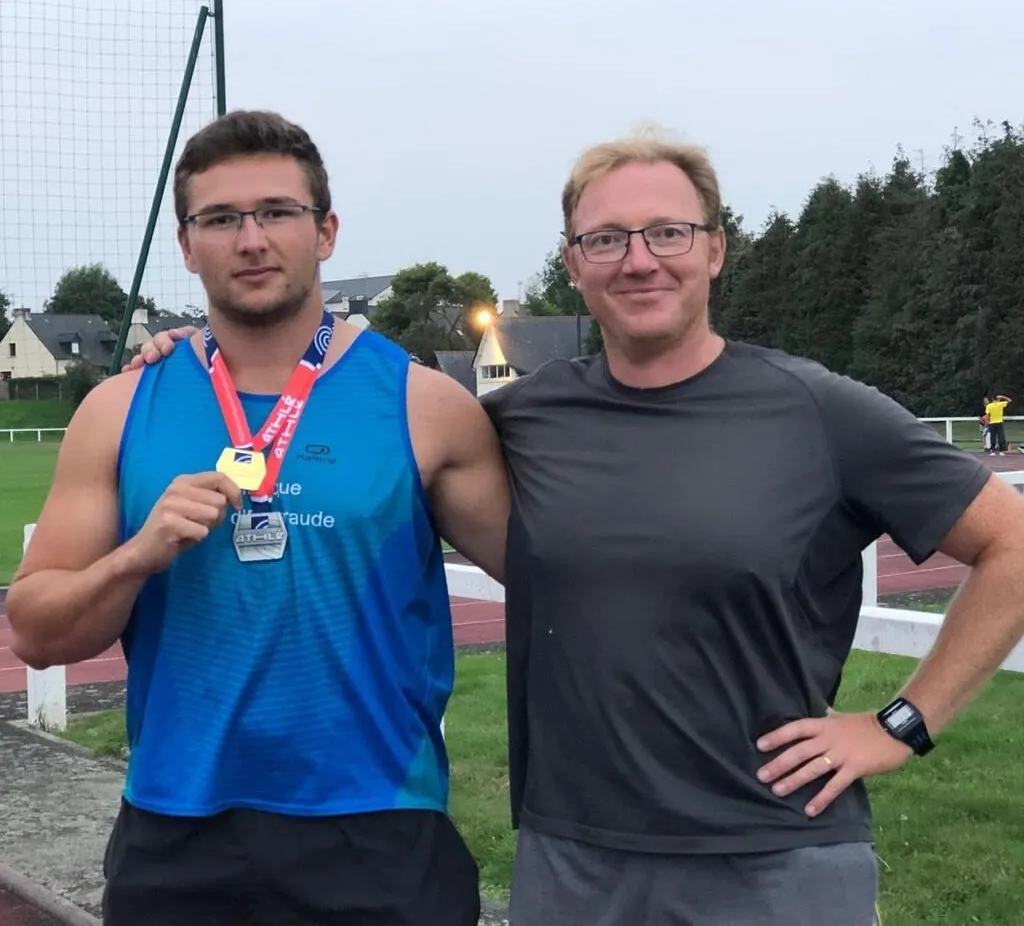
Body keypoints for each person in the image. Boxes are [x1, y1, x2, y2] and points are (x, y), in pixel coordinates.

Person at [128, 130, 1024, 926]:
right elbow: (344, 401)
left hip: (776, 856)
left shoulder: (819, 411)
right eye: (606, 239)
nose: (639, 260)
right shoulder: (524, 417)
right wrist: (190, 347)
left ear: (716, 250)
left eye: (668, 233)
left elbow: (1010, 544)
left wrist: (901, 722)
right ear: (572, 261)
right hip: (570, 860)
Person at [7, 110, 510, 926]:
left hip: (379, 833)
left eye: (277, 212)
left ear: (326, 231)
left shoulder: (425, 406)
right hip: (179, 833)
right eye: (220, 219)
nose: (251, 239)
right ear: (186, 244)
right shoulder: (120, 408)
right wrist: (137, 555)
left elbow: (564, 578)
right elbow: (35, 630)